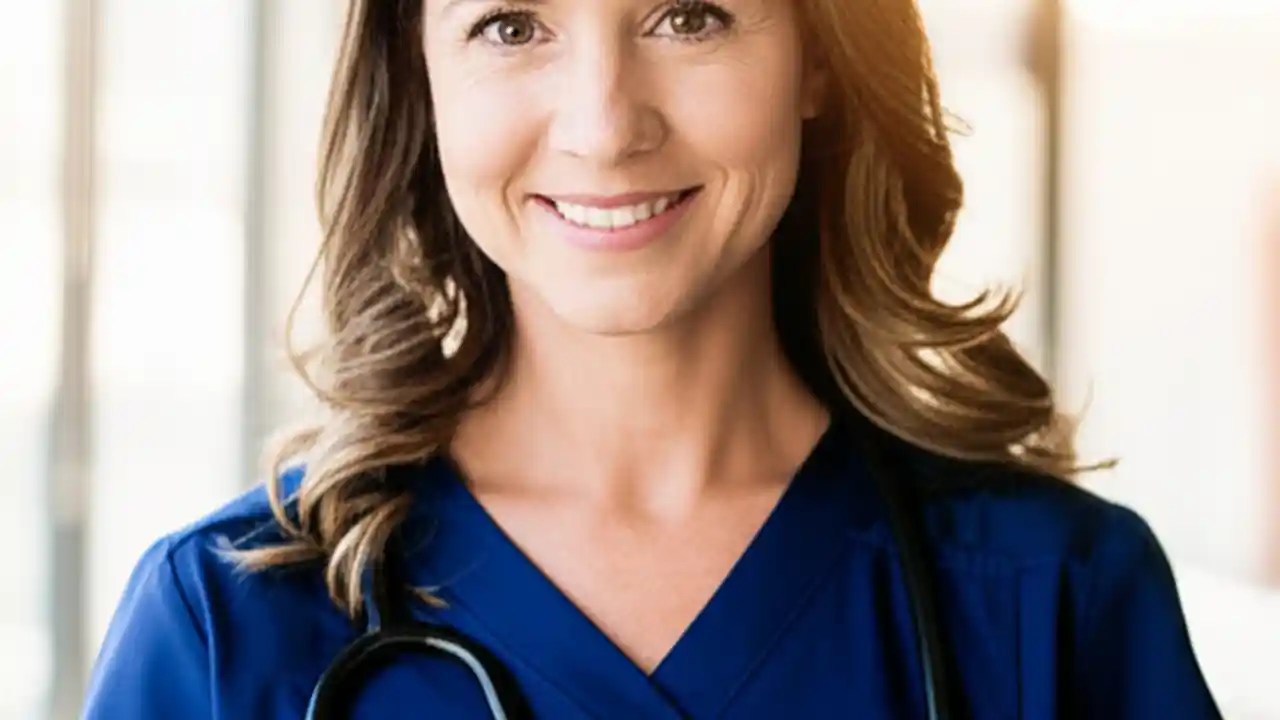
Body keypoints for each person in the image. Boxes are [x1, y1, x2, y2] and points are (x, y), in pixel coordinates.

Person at [83, 0, 1222, 717]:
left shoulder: (1052, 599)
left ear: (819, 57)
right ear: (419, 71)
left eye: (688, 16)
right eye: (511, 26)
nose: (603, 124)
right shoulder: (231, 624)